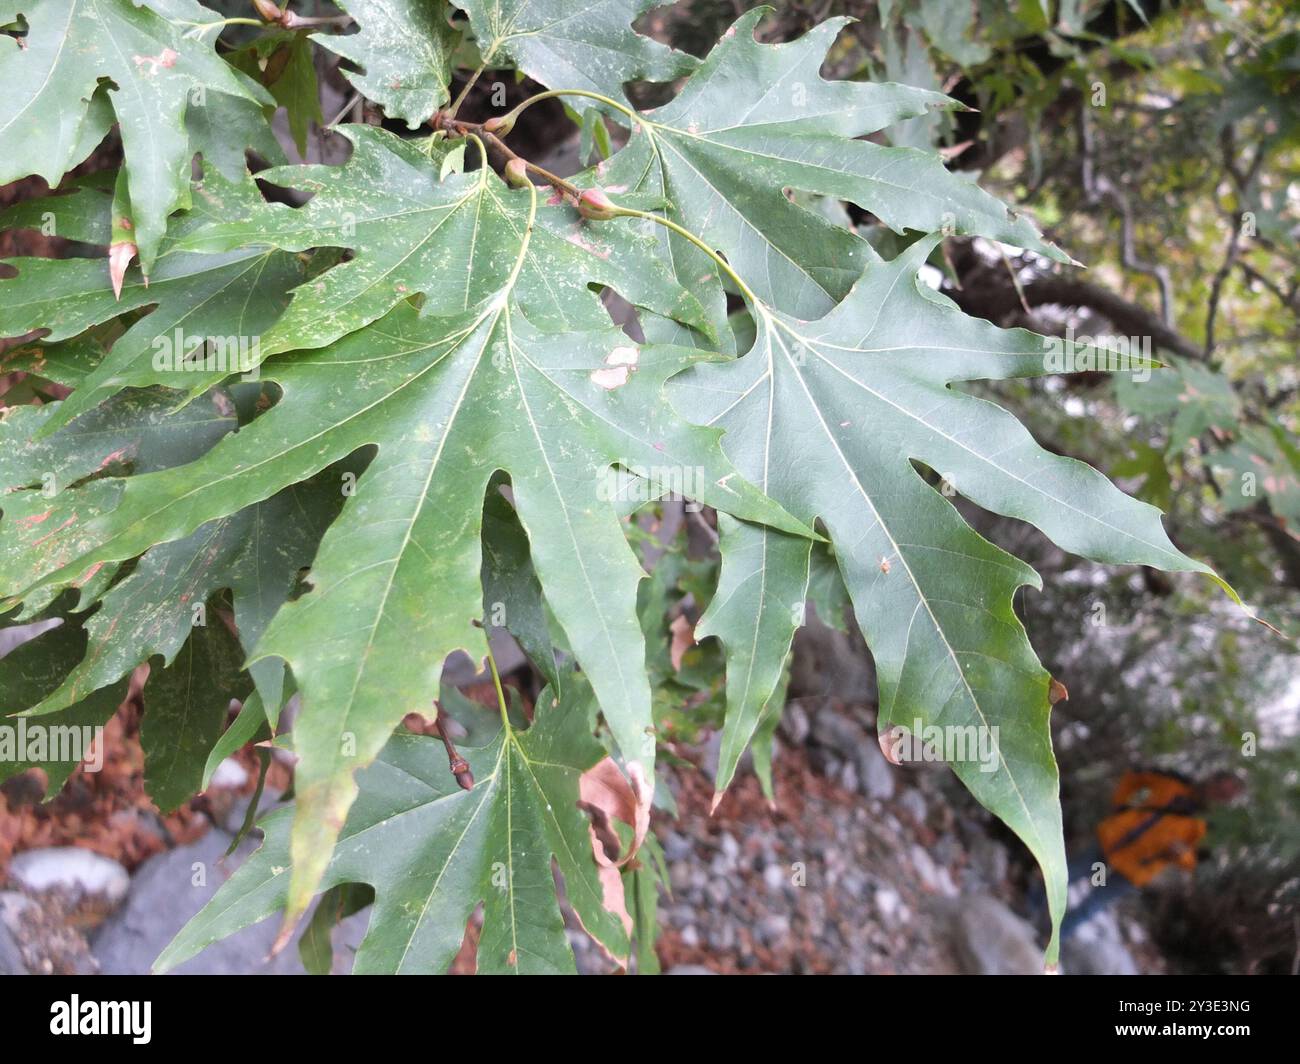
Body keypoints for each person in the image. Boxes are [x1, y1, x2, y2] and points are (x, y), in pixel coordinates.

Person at [1059, 768, 1244, 938]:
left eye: (1225, 798)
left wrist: (1180, 855)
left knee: (1091, 905)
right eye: (1219, 791)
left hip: (1137, 868)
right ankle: (1032, 909)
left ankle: (1054, 939)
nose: (1217, 797)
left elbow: (1194, 861)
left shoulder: (1208, 826)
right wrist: (1121, 806)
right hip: (1114, 842)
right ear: (1211, 779)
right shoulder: (1173, 781)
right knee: (1065, 876)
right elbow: (1134, 775)